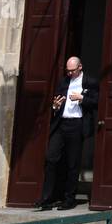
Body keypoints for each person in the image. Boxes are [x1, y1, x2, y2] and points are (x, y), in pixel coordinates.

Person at [35, 56, 99, 210]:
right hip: (61, 123)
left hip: (77, 124)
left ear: (80, 67)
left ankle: (69, 199)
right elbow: (56, 101)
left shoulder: (90, 82)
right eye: (68, 71)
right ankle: (47, 198)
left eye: (72, 70)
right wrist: (55, 106)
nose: (69, 73)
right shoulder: (63, 82)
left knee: (72, 163)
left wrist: (82, 98)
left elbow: (97, 101)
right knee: (51, 158)